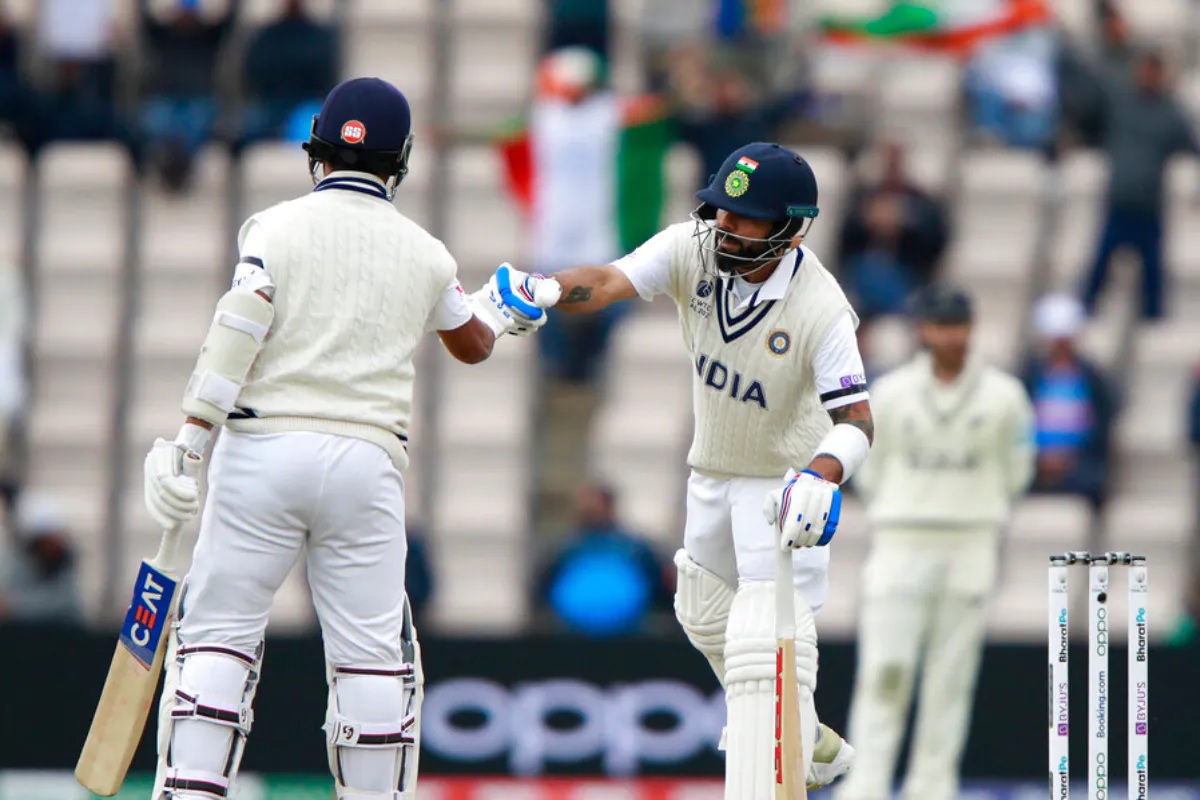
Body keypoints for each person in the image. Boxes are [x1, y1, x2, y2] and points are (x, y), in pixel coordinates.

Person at [139, 76, 552, 800]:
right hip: (367, 464)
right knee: (370, 660)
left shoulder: (273, 227)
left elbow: (242, 325)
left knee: (218, 638)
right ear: (402, 160)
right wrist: (505, 309)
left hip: (261, 455)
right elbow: (473, 343)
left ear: (317, 152)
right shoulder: (427, 253)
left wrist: (189, 442)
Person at [495, 141, 870, 796]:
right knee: (699, 611)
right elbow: (610, 281)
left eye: (743, 217)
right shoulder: (694, 249)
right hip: (714, 472)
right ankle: (809, 739)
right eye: (721, 210)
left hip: (783, 487)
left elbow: (858, 419)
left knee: (768, 644)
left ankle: (779, 766)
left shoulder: (822, 308)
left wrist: (822, 474)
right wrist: (548, 288)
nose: (724, 225)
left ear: (790, 227)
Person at [835, 284, 1035, 800]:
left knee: (950, 679)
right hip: (901, 538)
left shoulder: (1005, 396)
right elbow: (870, 469)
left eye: (962, 325)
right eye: (944, 325)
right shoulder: (893, 391)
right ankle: (868, 786)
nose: (955, 336)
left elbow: (1017, 472)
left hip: (970, 541)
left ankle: (933, 788)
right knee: (885, 671)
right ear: (924, 330)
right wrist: (905, 506)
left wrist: (971, 509)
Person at [1080, 47, 1200, 320]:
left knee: (1153, 272)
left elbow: (1194, 147)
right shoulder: (1120, 106)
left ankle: (1153, 321)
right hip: (1118, 202)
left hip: (1149, 208)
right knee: (1099, 267)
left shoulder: (1170, 114)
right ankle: (1084, 312)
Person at [838, 139, 950, 330]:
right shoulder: (864, 197)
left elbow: (936, 240)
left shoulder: (920, 200)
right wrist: (867, 223)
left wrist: (904, 224)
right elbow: (843, 241)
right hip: (862, 276)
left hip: (908, 277)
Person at [535, 481, 673, 636]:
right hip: (571, 634)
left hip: (630, 634)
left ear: (609, 506)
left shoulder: (635, 548)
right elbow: (542, 586)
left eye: (594, 504)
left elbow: (663, 585)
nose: (587, 509)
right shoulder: (565, 547)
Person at [1021, 293, 1117, 511]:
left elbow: (1101, 424)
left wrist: (1067, 458)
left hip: (1079, 463)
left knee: (1092, 482)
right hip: (1034, 463)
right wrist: (1039, 456)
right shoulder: (1029, 376)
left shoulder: (1094, 379)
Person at [0, 493, 83, 628]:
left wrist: (15, 606)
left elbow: (63, 601)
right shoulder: (22, 561)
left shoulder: (65, 561)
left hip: (64, 633)